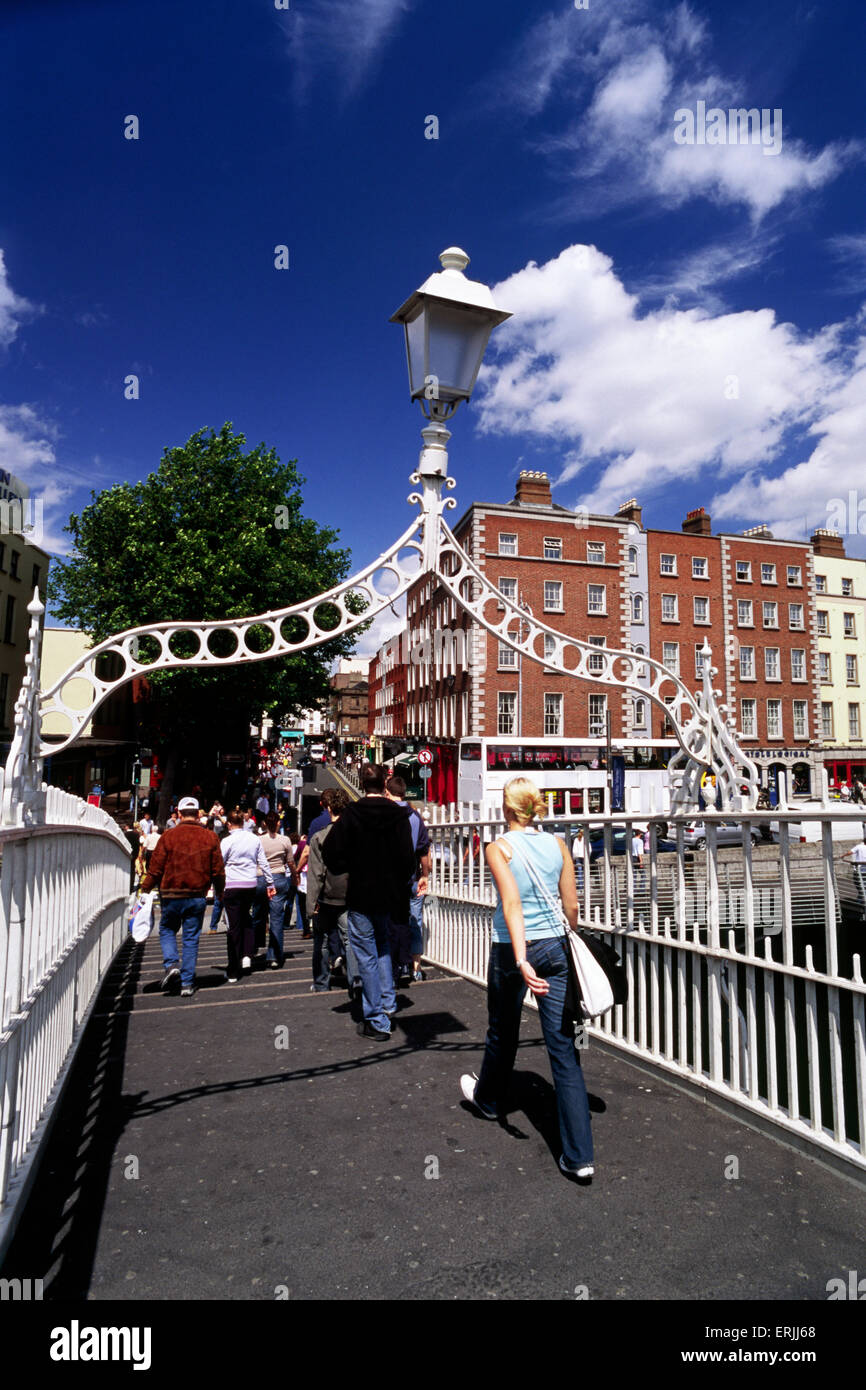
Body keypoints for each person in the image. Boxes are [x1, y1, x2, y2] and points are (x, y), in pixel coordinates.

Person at [459, 777, 594, 1181]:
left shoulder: (498, 848)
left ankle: (487, 1099)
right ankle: (579, 1157)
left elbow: (512, 902)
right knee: (563, 1048)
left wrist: (521, 957)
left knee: (502, 1030)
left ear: (506, 809)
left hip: (511, 948)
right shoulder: (557, 845)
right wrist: (563, 939)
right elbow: (571, 905)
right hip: (556, 945)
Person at [322, 763, 416, 1040]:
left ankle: (375, 1017)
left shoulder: (352, 814)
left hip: (361, 892)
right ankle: (387, 1004)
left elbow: (331, 853)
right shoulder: (398, 816)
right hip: (388, 894)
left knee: (366, 955)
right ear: (385, 784)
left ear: (362, 784)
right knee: (383, 947)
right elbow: (407, 858)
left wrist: (349, 866)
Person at [140, 796, 225, 999]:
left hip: (171, 893)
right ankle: (187, 983)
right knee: (190, 937)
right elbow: (218, 871)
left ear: (178, 813)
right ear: (198, 815)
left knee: (167, 929)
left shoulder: (168, 836)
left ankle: (171, 964)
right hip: (197, 895)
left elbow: (155, 868)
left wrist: (144, 889)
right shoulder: (210, 837)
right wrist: (220, 891)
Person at [306, 789, 354, 992]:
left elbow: (316, 874)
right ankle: (356, 982)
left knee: (322, 942)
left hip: (326, 897)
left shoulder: (319, 837)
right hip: (350, 896)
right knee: (350, 941)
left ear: (328, 808)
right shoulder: (356, 836)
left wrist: (310, 906)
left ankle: (321, 983)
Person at [385, 775, 430, 985]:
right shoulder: (415, 817)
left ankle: (393, 966)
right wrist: (425, 875)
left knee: (389, 923)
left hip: (389, 880)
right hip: (412, 878)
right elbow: (424, 852)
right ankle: (416, 966)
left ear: (388, 792)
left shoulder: (384, 813)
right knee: (414, 922)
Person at [221, 811, 276, 982]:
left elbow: (220, 862)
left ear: (229, 824)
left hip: (232, 884)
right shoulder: (254, 839)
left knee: (234, 926)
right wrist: (270, 883)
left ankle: (233, 968)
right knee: (247, 918)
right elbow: (263, 862)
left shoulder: (227, 841)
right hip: (250, 883)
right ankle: (247, 953)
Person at [259, 812, 295, 969]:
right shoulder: (285, 840)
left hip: (260, 878)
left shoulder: (258, 840)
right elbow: (290, 862)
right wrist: (295, 876)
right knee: (276, 919)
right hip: (278, 877)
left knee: (257, 915)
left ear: (265, 824)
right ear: (278, 823)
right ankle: (273, 955)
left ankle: (252, 948)